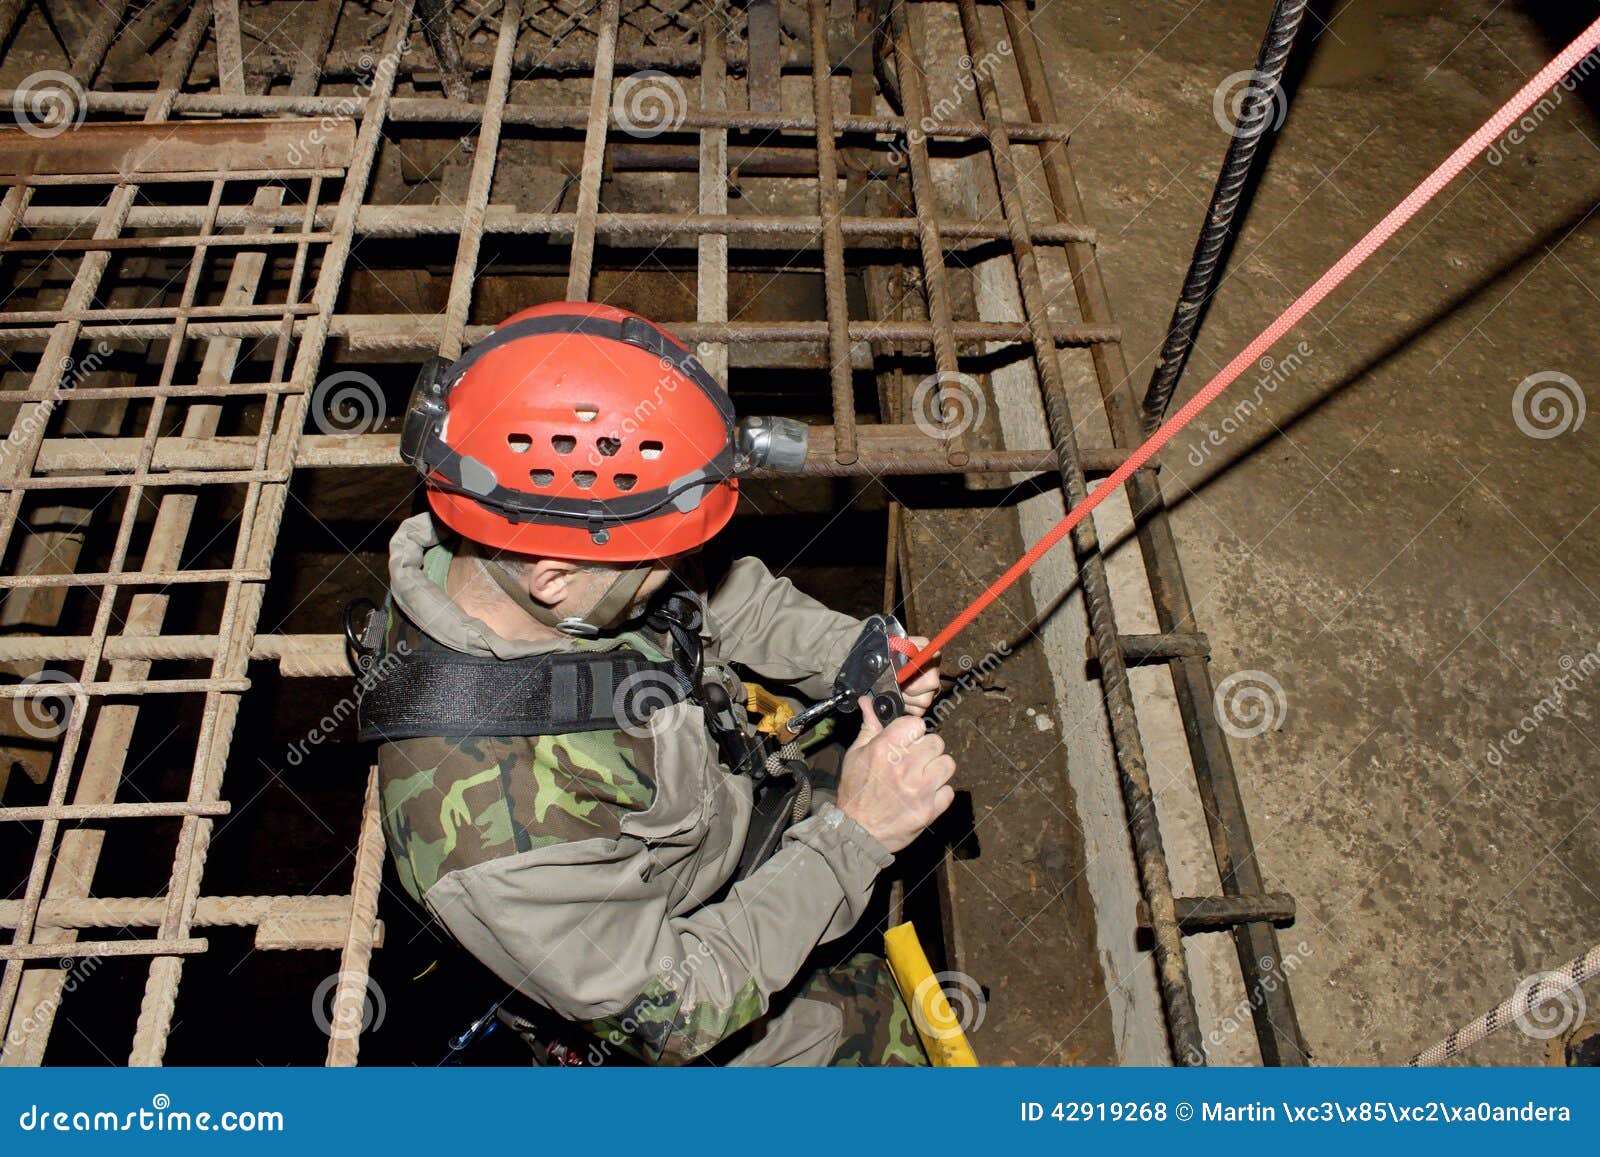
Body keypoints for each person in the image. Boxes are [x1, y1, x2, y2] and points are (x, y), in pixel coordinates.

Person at [361, 301, 955, 1066]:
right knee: (889, 1050)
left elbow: (717, 601)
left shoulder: (548, 549)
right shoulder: (491, 840)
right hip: (675, 978)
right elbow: (682, 1005)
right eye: (659, 562)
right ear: (554, 579)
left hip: (728, 813)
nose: (677, 572)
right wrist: (854, 838)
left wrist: (852, 654)